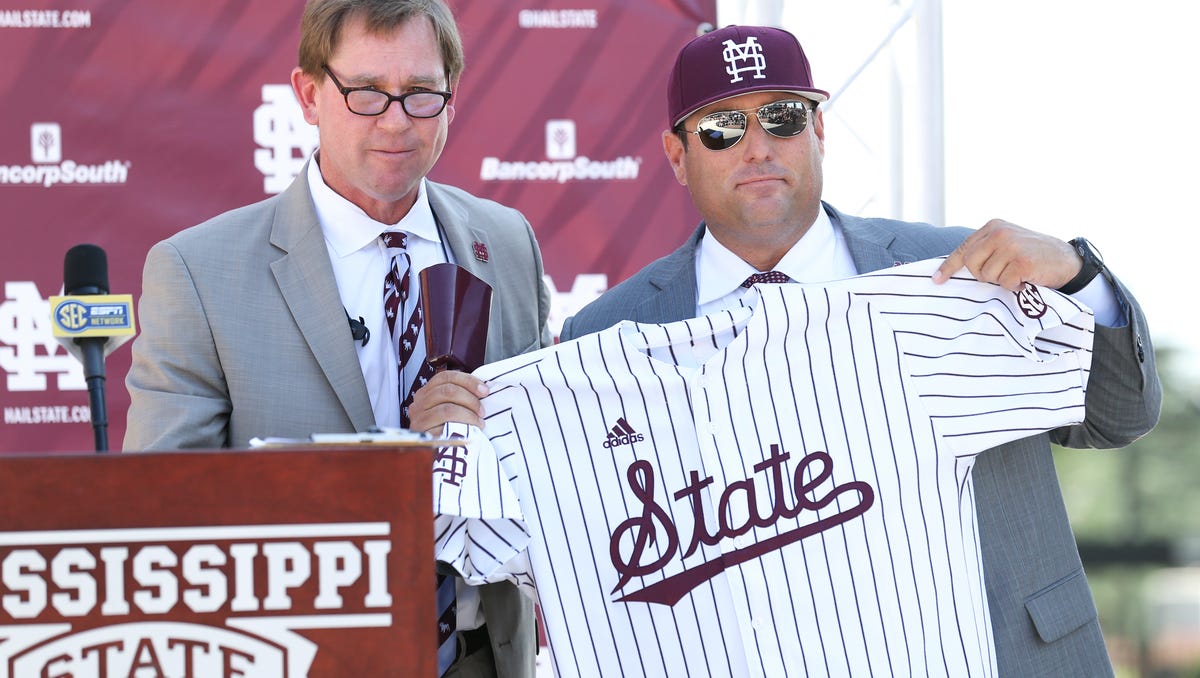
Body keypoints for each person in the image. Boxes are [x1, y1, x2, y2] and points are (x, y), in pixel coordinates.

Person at [551, 22, 1164, 677]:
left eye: (782, 117)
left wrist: (1081, 277)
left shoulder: (962, 271)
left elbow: (1117, 415)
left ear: (818, 130)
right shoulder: (605, 335)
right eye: (723, 128)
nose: (757, 148)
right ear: (677, 155)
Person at [123, 0, 548, 676]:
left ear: (451, 99)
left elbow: (549, 463)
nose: (396, 120)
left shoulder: (506, 243)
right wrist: (387, 471)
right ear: (309, 94)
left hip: (481, 657)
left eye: (420, 94)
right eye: (366, 92)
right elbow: (160, 519)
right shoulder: (199, 272)